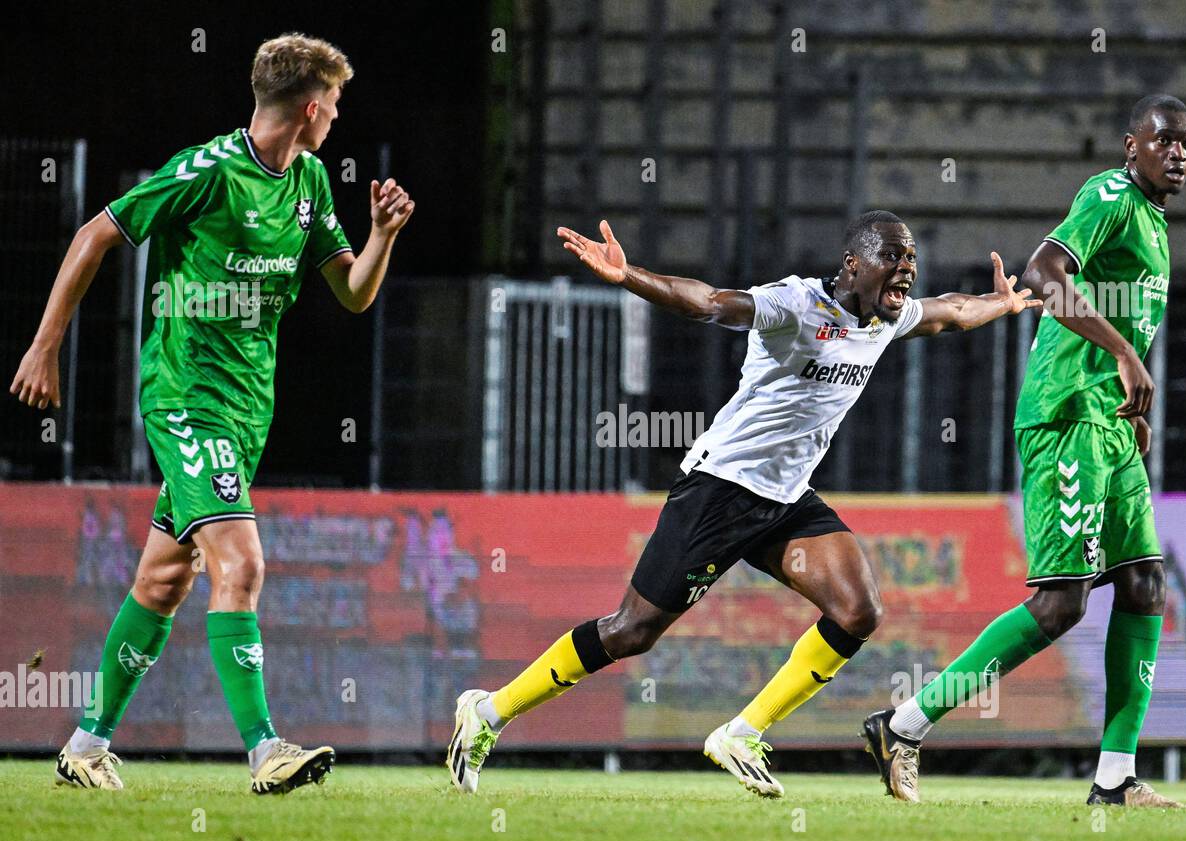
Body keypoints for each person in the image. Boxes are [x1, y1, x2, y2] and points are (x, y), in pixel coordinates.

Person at [447, 212, 1039, 797]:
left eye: (911, 258)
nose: (906, 268)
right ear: (853, 264)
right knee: (631, 632)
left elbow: (952, 311)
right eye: (893, 256)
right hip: (721, 488)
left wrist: (1003, 304)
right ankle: (490, 713)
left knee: (858, 611)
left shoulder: (887, 316)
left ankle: (743, 732)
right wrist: (630, 277)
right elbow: (708, 302)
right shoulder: (797, 305)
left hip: (785, 500)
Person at [10, 33, 414, 794]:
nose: (336, 121)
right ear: (313, 106)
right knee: (243, 565)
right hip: (185, 400)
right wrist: (44, 347)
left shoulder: (312, 184)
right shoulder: (205, 172)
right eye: (335, 107)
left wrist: (383, 236)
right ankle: (266, 752)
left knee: (164, 579)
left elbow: (353, 291)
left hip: (245, 410)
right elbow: (95, 232)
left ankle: (86, 745)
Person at [864, 95, 1186, 808]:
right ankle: (903, 724)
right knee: (1060, 606)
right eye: (1163, 139)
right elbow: (1044, 274)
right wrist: (1127, 363)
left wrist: (1127, 396)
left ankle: (1114, 779)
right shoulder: (1110, 194)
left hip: (1106, 420)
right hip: (1065, 418)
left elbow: (1129, 316)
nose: (1177, 153)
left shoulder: (1156, 223)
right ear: (1130, 145)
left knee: (1144, 586)